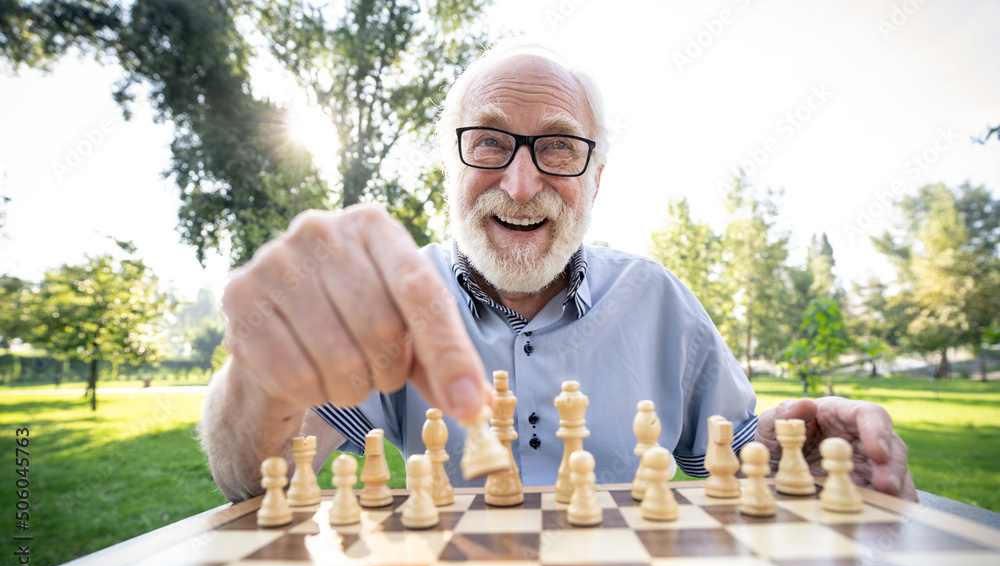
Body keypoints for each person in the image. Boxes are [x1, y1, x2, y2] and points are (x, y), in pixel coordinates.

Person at [199, 42, 916, 504]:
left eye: (558, 149)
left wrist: (806, 446)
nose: (518, 184)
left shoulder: (659, 300)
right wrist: (261, 371)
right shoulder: (377, 303)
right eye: (487, 143)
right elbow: (247, 479)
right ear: (449, 169)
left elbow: (736, 456)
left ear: (596, 179)